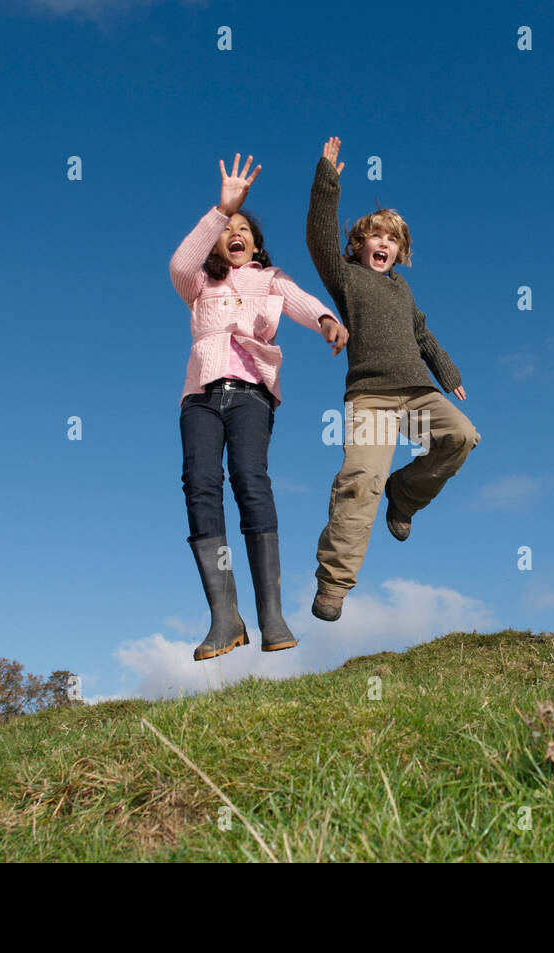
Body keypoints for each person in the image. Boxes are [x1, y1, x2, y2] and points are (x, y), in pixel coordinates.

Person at [169, 152, 348, 659]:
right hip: (200, 398)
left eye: (244, 227)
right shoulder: (199, 283)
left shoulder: (269, 281)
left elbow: (302, 302)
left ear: (255, 245)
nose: (236, 232)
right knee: (201, 487)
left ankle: (271, 614)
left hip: (251, 395)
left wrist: (328, 322)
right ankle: (225, 617)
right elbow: (181, 261)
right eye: (230, 229)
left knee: (250, 482)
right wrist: (221, 209)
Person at [306, 137, 479, 621]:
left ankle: (406, 495)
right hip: (371, 398)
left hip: (418, 393)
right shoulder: (344, 276)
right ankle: (334, 584)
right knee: (360, 482)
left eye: (392, 239)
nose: (384, 243)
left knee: (461, 437)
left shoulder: (402, 288)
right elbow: (319, 237)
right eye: (375, 236)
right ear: (359, 244)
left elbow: (422, 333)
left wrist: (447, 372)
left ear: (400, 252)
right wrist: (327, 179)